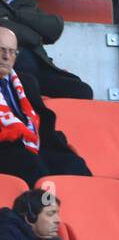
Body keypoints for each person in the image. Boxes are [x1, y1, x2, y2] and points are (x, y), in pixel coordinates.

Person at [0, 26, 91, 185]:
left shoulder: (27, 82)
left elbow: (42, 123)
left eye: (12, 51)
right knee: (32, 164)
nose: (6, 56)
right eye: (1, 49)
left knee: (74, 164)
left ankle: (85, 209)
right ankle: (42, 208)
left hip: (32, 145)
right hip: (5, 149)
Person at [0, 0, 93, 100]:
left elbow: (53, 30)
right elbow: (33, 38)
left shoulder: (25, 1)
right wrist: (33, 35)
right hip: (9, 72)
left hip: (39, 72)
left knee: (82, 90)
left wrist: (13, 14)